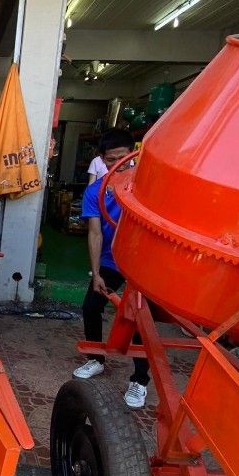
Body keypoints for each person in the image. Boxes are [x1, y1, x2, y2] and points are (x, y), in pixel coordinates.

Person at [74, 129, 150, 408]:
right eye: (111, 160)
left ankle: (140, 381)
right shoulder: (95, 192)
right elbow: (95, 233)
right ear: (103, 161)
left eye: (125, 158)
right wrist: (96, 274)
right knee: (91, 306)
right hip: (110, 261)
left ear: (134, 155)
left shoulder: (149, 187)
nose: (120, 164)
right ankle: (96, 360)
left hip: (143, 264)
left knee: (143, 321)